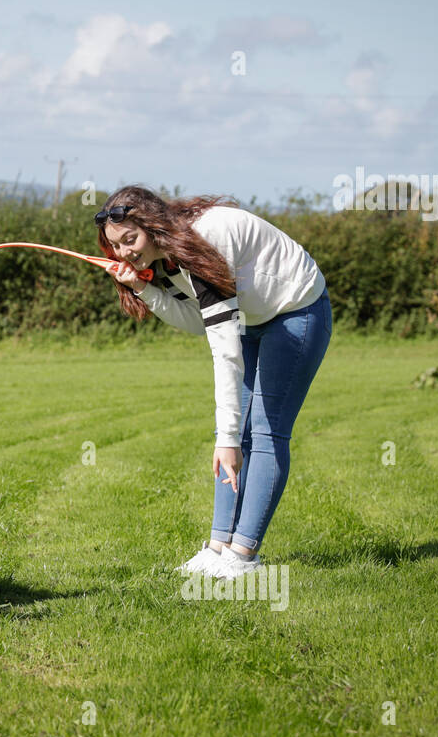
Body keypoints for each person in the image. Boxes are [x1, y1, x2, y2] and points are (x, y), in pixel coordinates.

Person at [95, 185, 332, 579]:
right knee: (235, 437)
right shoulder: (166, 258)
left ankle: (243, 556)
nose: (124, 253)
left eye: (130, 239)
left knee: (266, 431)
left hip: (296, 310)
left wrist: (226, 437)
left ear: (151, 223)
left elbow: (224, 351)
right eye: (116, 247)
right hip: (252, 319)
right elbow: (199, 323)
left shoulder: (205, 241)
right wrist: (141, 288)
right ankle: (219, 546)